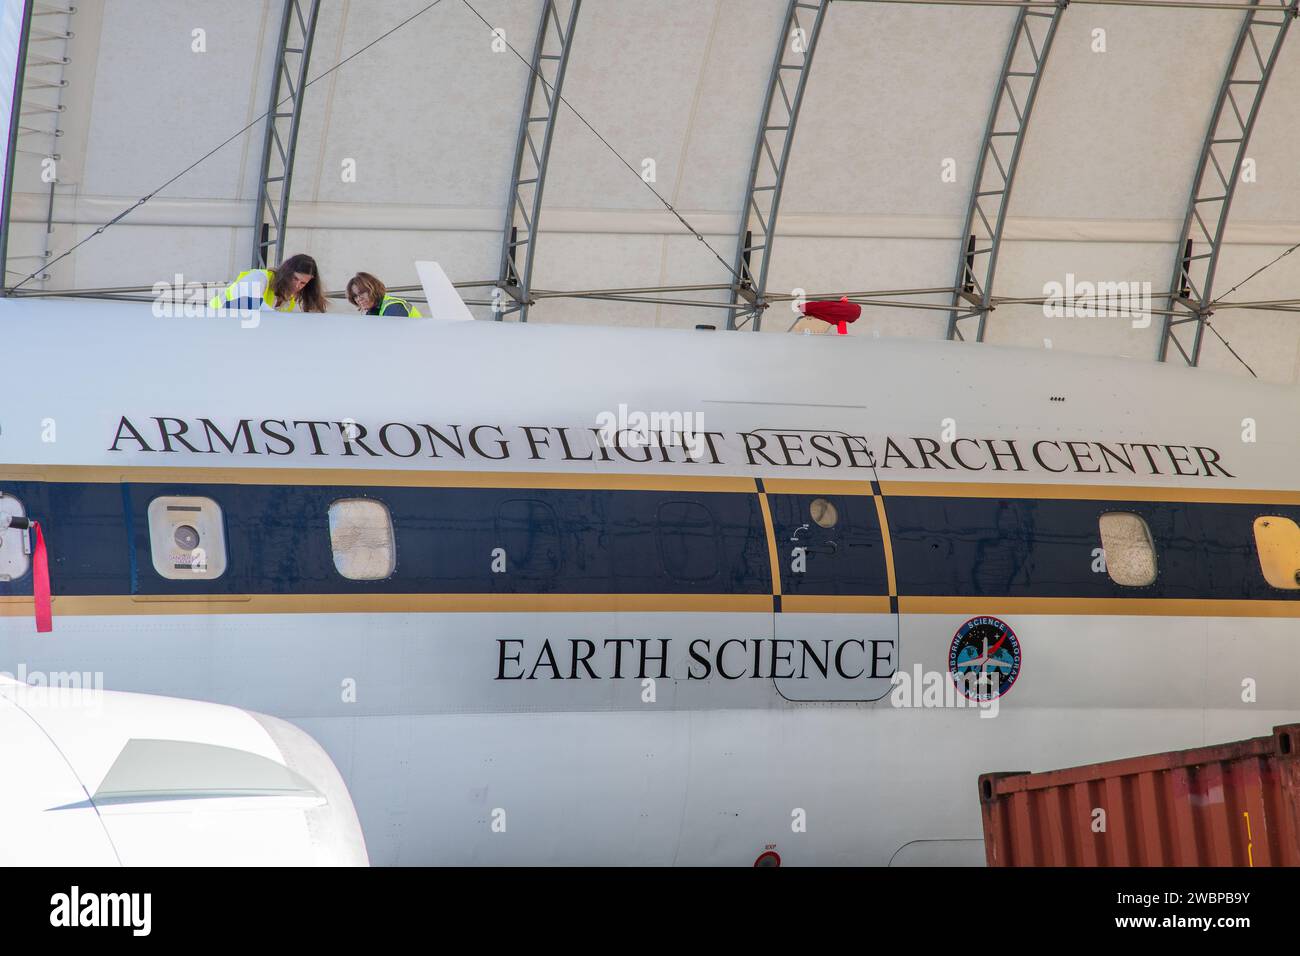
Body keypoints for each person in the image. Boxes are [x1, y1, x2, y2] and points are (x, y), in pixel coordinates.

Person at [208, 253, 327, 313]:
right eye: (295, 279)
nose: (297, 286)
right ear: (286, 273)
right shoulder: (259, 278)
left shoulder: (290, 300)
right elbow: (250, 304)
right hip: (213, 319)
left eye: (303, 283)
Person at [345, 272, 422, 317]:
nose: (359, 299)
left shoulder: (393, 307)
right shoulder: (373, 310)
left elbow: (393, 339)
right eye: (355, 296)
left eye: (362, 293)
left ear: (374, 289)